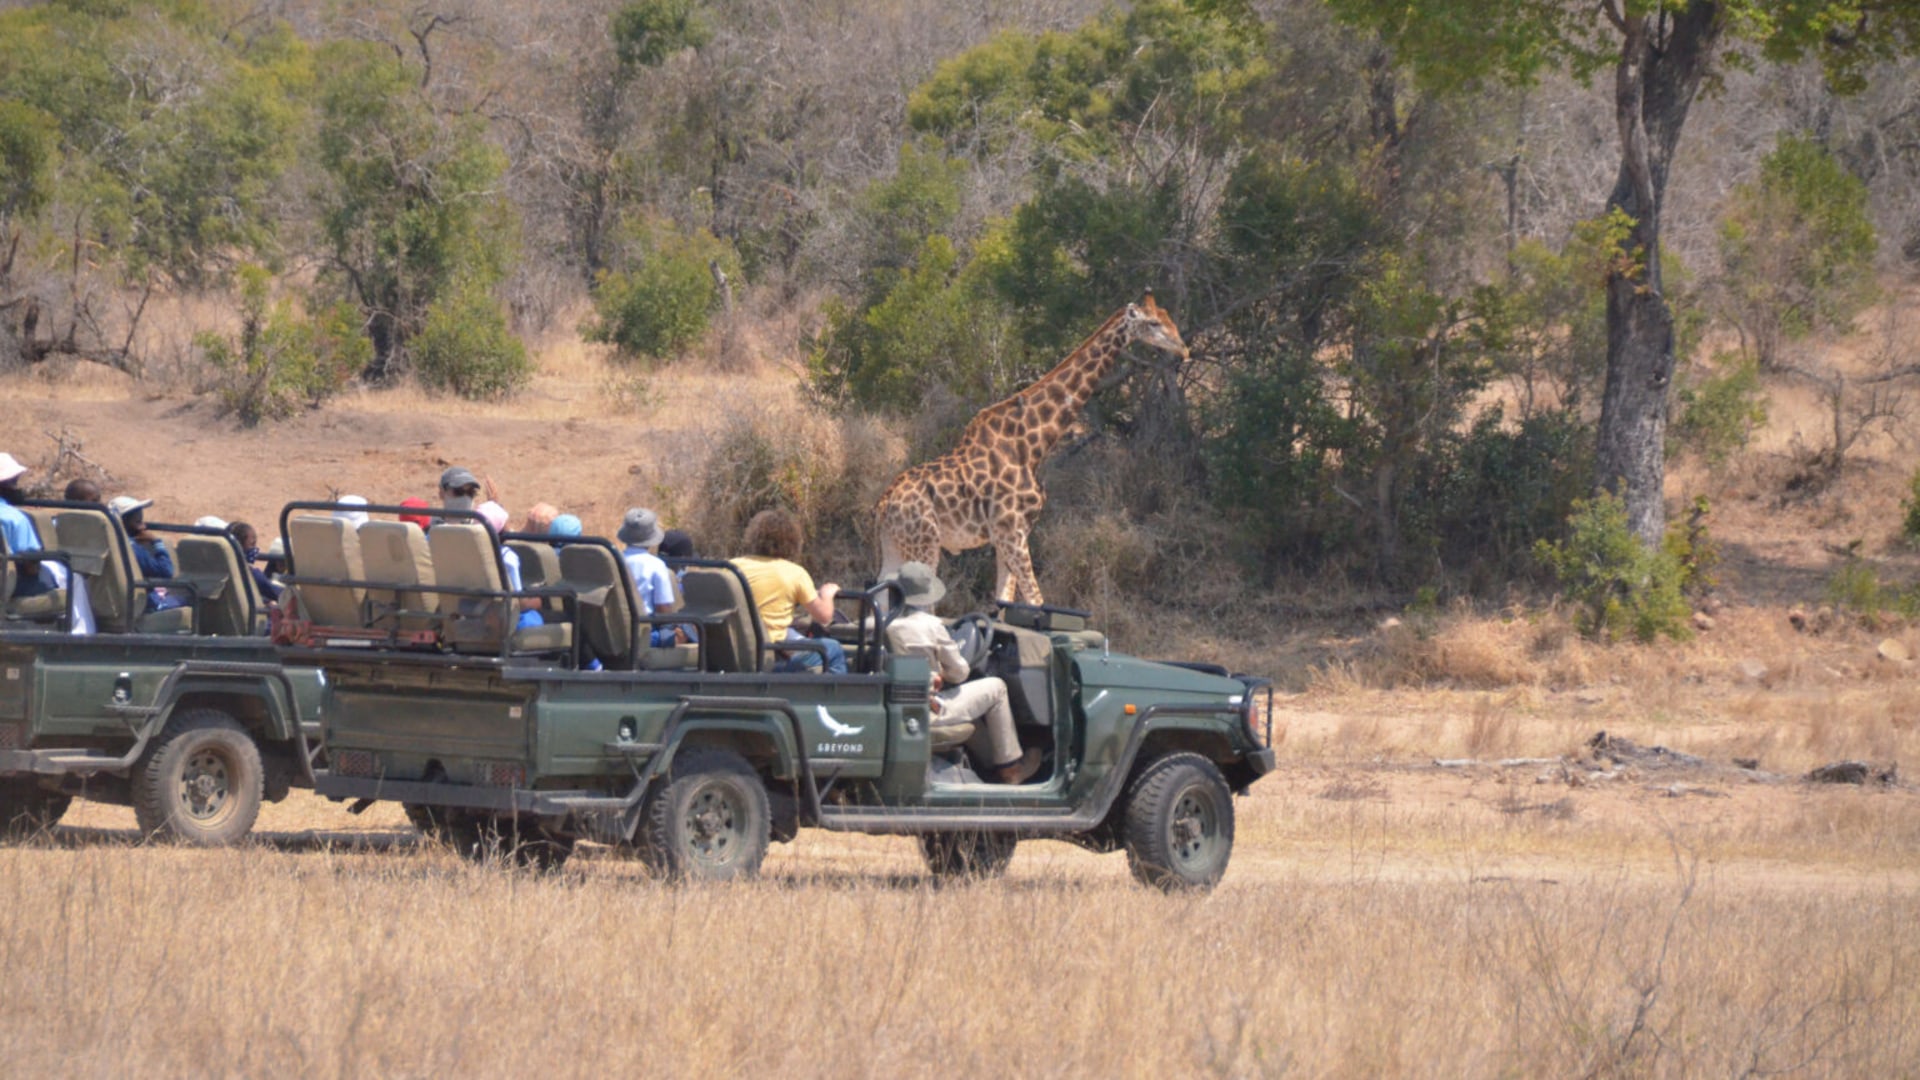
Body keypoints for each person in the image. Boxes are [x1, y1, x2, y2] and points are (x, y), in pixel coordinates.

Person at [884, 561, 1042, 785]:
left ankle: (988, 766)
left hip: (895, 704)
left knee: (971, 706)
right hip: (926, 709)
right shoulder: (932, 626)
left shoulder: (877, 623)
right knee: (996, 688)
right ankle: (1011, 768)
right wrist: (942, 676)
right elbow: (959, 673)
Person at [729, 508, 847, 675]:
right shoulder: (794, 573)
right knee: (832, 648)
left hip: (733, 652)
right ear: (793, 542)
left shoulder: (731, 567)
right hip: (770, 654)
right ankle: (837, 698)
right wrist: (827, 594)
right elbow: (824, 617)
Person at [108, 495, 189, 611]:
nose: (143, 526)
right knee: (190, 598)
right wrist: (156, 542)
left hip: (121, 603)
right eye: (137, 521)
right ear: (123, 522)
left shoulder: (112, 542)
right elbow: (166, 571)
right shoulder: (131, 548)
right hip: (147, 604)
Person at [617, 508, 680, 643]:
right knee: (688, 632)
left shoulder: (614, 560)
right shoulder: (656, 565)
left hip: (616, 630)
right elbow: (663, 610)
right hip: (645, 633)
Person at [0, 453, 55, 598]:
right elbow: (32, 568)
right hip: (10, 587)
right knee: (67, 577)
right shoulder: (14, 518)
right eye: (13, 482)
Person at [227, 521, 282, 601]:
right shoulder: (252, 575)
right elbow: (281, 594)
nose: (255, 549)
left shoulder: (217, 569)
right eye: (252, 544)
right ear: (239, 546)